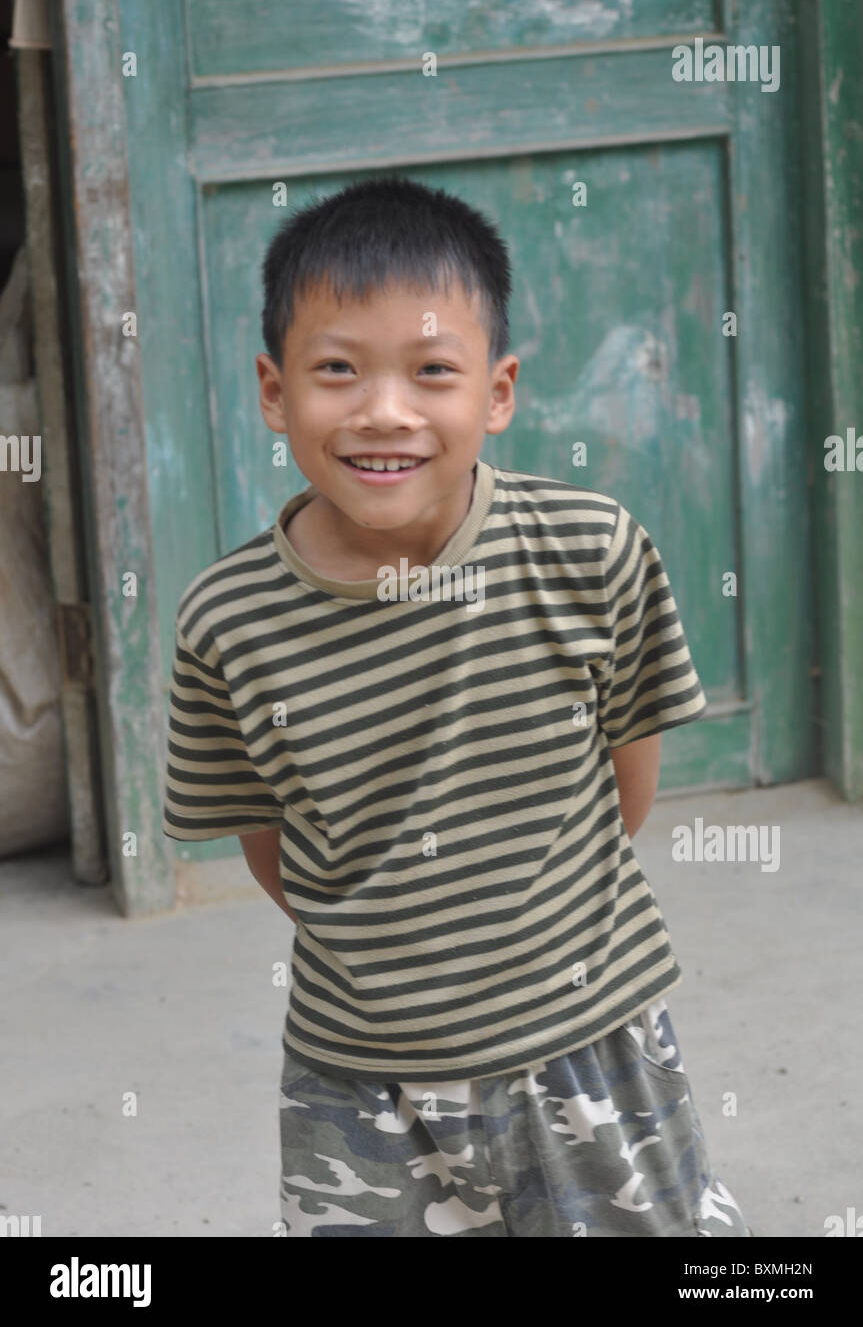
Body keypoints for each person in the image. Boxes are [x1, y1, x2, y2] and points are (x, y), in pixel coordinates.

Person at [162, 175, 751, 1238]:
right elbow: (272, 851)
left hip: (587, 1042)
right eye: (336, 369)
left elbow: (625, 788)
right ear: (272, 390)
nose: (382, 410)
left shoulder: (588, 552)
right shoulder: (226, 622)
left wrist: (517, 947)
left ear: (496, 392)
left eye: (431, 371)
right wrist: (409, 958)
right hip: (358, 1081)